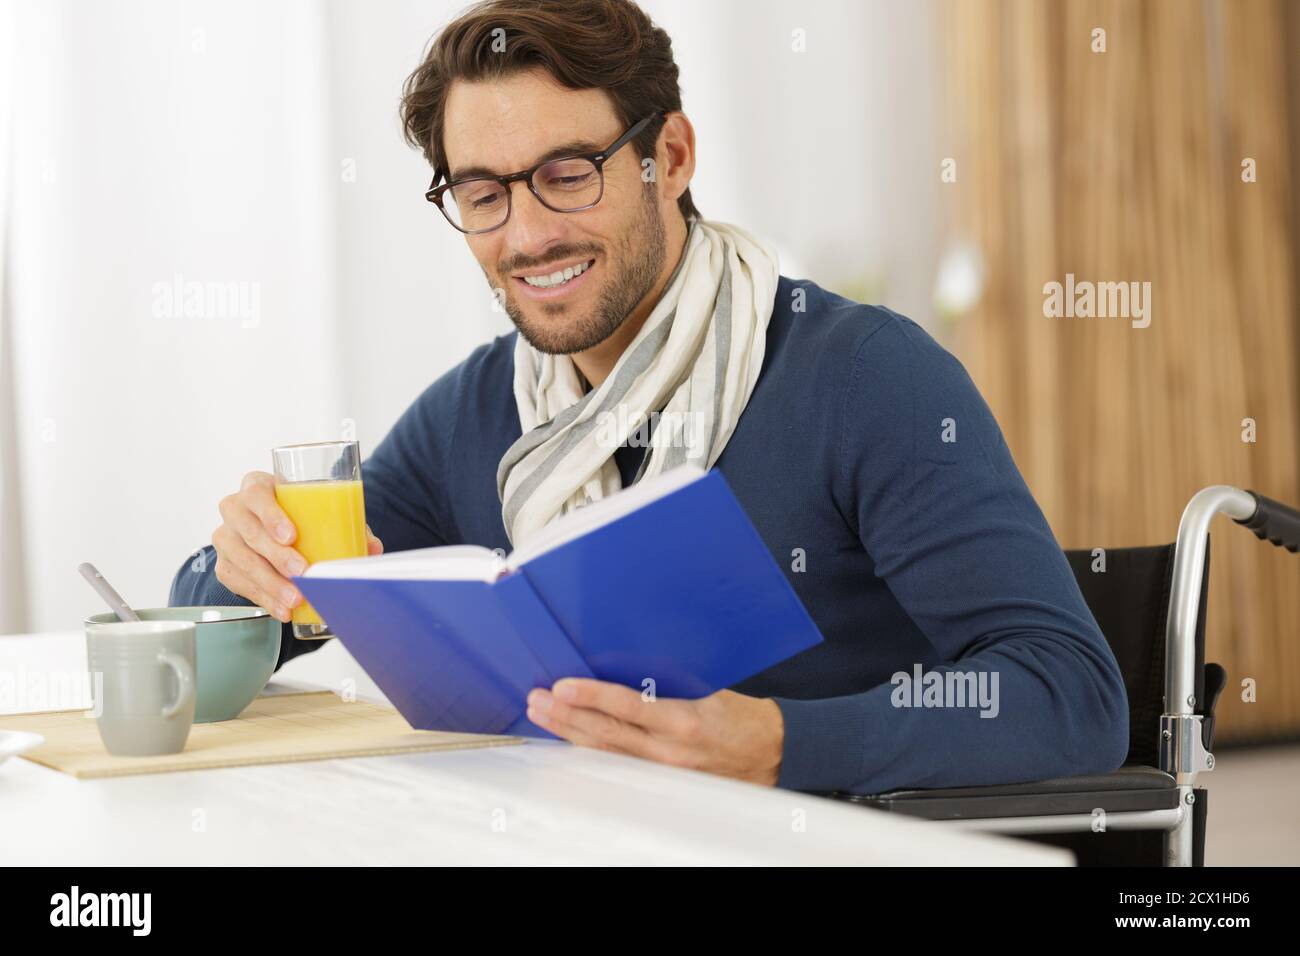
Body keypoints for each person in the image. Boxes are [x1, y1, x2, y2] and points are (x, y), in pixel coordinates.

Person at [171, 0, 1128, 794]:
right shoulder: (475, 412)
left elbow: (1071, 697)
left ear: (668, 157)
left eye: (565, 175)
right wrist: (246, 569)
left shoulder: (865, 377)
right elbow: (213, 622)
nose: (527, 234)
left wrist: (781, 744)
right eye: (482, 194)